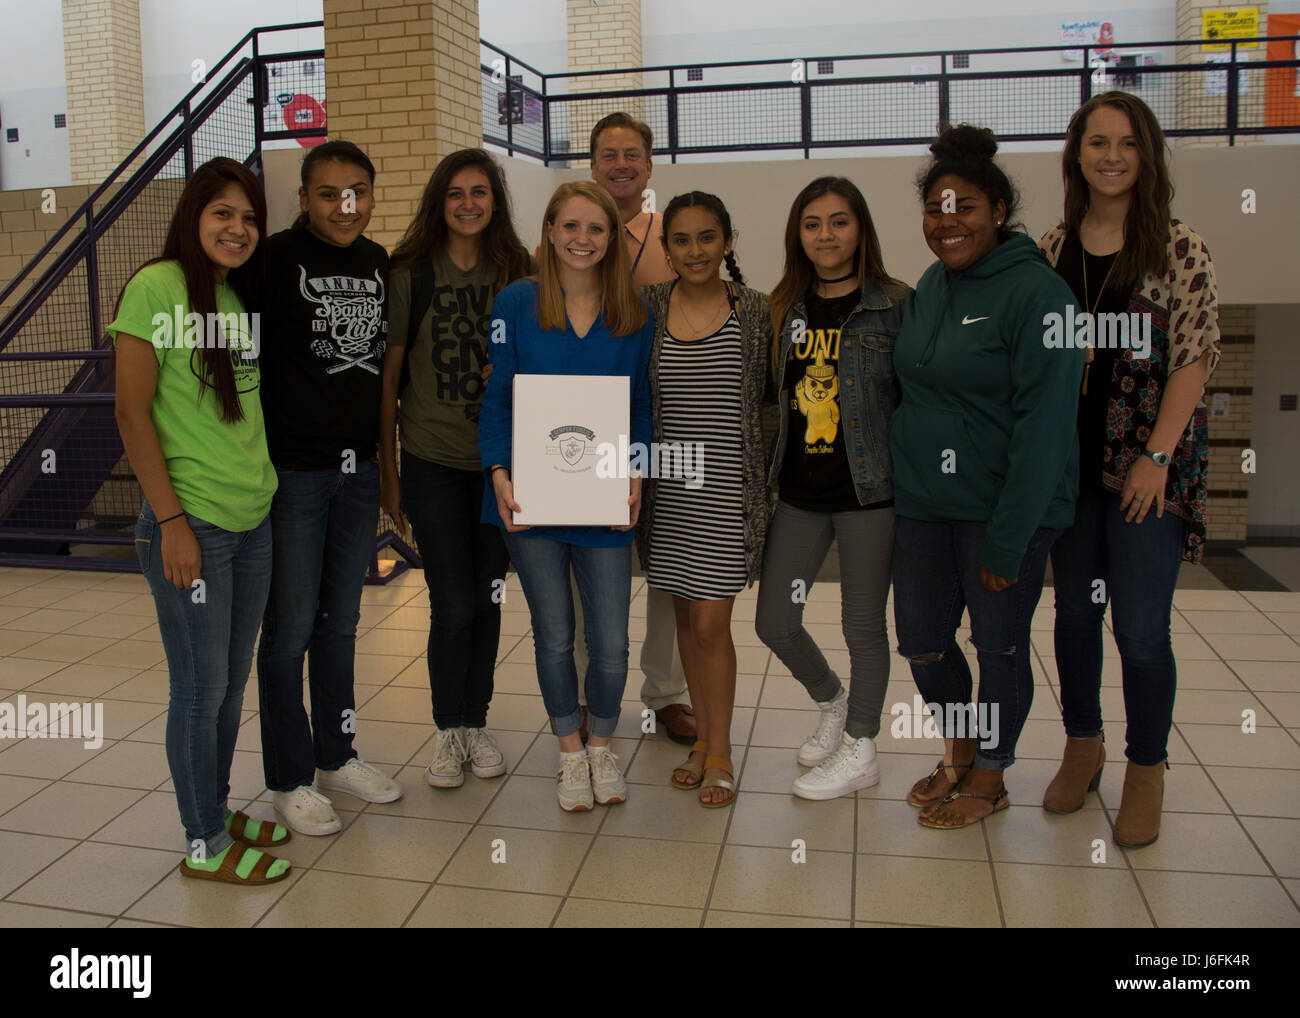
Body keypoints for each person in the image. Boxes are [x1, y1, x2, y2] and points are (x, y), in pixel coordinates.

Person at [889, 125, 1085, 830]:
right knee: (921, 640)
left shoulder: (1041, 295)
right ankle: (962, 745)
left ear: (998, 209)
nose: (947, 222)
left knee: (998, 646)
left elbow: (1047, 427)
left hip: (1005, 511)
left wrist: (1009, 537)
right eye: (937, 208)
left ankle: (992, 775)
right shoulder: (934, 287)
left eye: (964, 206)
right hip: (924, 507)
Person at [1039, 92, 1220, 847]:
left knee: (1142, 630)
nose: (1110, 156)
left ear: (1146, 156)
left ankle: (1147, 766)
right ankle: (1085, 743)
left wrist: (1155, 456)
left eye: (1126, 144)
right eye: (1096, 142)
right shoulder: (1051, 248)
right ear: (1077, 154)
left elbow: (1196, 356)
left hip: (1151, 470)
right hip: (1071, 468)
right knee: (1076, 616)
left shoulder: (1180, 248)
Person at [112, 157, 289, 884]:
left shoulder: (233, 297)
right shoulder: (154, 288)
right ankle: (203, 843)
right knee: (198, 687)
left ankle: (214, 808)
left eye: (249, 217)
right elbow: (131, 412)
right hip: (193, 524)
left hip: (253, 516)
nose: (238, 228)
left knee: (229, 680)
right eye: (223, 213)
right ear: (193, 215)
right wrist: (172, 520)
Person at [479, 180, 653, 812]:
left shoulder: (633, 313)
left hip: (605, 498)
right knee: (553, 634)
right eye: (571, 227)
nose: (583, 240)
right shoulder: (516, 303)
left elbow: (639, 404)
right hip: (530, 496)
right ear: (549, 231)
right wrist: (498, 471)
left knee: (609, 641)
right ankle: (570, 755)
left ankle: (602, 745)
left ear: (612, 238)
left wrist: (637, 472)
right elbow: (497, 395)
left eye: (597, 229)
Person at [255, 140, 401, 837]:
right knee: (287, 631)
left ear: (371, 196)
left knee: (340, 625)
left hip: (357, 473)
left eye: (357, 191)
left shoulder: (377, 262)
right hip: (293, 474)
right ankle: (286, 777)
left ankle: (335, 756)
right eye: (327, 192)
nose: (345, 205)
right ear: (305, 198)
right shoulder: (274, 260)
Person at [379, 148, 532, 789]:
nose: (468, 204)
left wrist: (517, 373)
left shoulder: (518, 272)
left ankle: (476, 720)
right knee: (453, 601)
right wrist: (389, 480)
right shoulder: (410, 272)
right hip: (431, 462)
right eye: (455, 194)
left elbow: (545, 360)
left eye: (479, 192)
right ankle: (448, 728)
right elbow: (387, 381)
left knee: (490, 596)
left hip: (500, 464)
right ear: (439, 204)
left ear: (495, 201)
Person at [755, 177, 909, 801]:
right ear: (798, 233)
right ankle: (835, 703)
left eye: (839, 222)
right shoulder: (781, 308)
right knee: (774, 621)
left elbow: (915, 398)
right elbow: (769, 403)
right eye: (813, 223)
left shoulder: (897, 304)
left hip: (869, 496)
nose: (826, 235)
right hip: (799, 495)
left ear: (861, 229)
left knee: (863, 626)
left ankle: (863, 748)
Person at [636, 191, 774, 807]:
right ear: (667, 250)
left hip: (727, 491)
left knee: (713, 621)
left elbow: (773, 405)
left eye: (707, 238)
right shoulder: (647, 308)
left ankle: (719, 749)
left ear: (728, 241)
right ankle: (701, 742)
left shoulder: (756, 311)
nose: (696, 251)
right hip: (668, 491)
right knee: (688, 619)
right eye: (683, 240)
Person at [578, 113, 695, 745]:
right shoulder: (565, 235)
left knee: (668, 563)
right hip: (586, 430)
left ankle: (667, 693)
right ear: (592, 165)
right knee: (586, 566)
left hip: (663, 422)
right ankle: (581, 692)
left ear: (648, 167)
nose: (620, 165)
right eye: (607, 155)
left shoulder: (668, 234)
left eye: (632, 155)